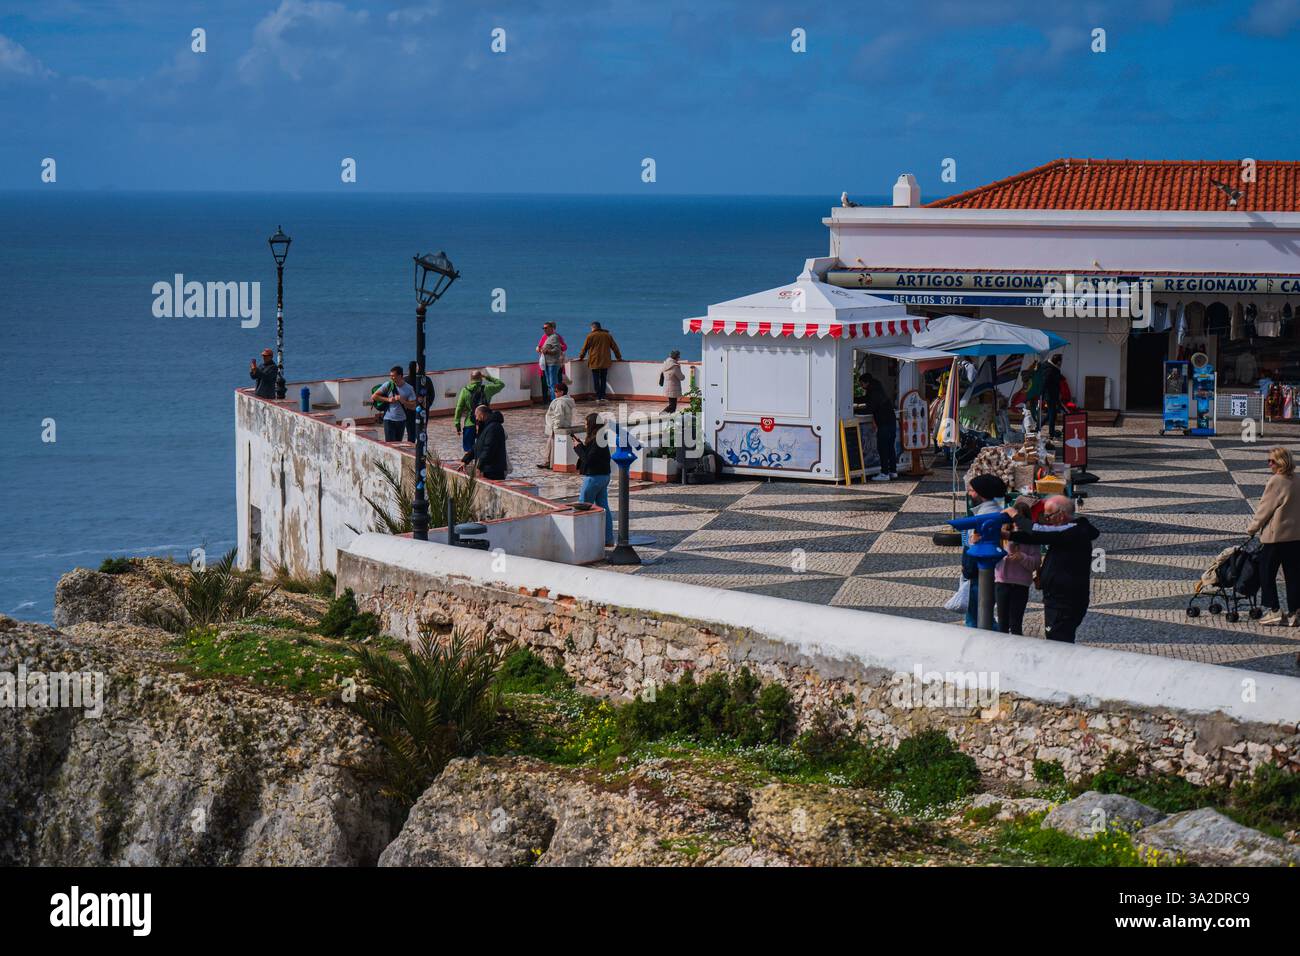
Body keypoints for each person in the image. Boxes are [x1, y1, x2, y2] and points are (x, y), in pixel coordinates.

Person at [1004, 494, 1100, 643]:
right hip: (1061, 599)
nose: (1046, 520)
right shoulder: (1071, 531)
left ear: (1061, 515)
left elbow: (1037, 531)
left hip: (1063, 602)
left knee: (1059, 642)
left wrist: (1014, 515)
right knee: (1059, 639)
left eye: (1048, 516)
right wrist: (1009, 535)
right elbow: (1038, 536)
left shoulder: (1071, 531)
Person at [1247, 447, 1300, 625]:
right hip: (1295, 537)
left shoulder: (1276, 481)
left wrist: (1252, 528)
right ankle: (1295, 613)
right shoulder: (1297, 479)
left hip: (1276, 538)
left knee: (1266, 573)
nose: (1269, 464)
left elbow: (1265, 508)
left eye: (1272, 461)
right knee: (1293, 575)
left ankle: (1275, 610)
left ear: (1281, 462)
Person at [963, 474, 1007, 628]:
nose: (970, 494)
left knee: (975, 613)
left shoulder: (985, 515)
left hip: (980, 569)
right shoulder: (992, 510)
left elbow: (974, 543)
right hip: (982, 568)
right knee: (981, 610)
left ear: (981, 493)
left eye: (972, 491)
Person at [994, 497, 1041, 635]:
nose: (1017, 525)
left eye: (1021, 521)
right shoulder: (1003, 534)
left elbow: (1036, 563)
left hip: (1020, 585)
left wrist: (1022, 556)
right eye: (1015, 522)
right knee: (1002, 622)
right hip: (1002, 582)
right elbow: (995, 556)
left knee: (1016, 623)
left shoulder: (1032, 539)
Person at [572, 413, 614, 547]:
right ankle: (608, 539)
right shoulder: (600, 437)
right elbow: (591, 456)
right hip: (604, 476)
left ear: (592, 425)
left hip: (594, 478)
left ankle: (583, 542)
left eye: (586, 424)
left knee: (583, 507)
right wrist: (580, 446)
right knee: (603, 508)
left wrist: (578, 448)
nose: (585, 426)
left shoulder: (597, 439)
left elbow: (588, 460)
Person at [454, 370, 505, 457]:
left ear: (471, 379)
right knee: (483, 447)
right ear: (480, 379)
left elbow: (459, 408)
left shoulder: (465, 391)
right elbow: (501, 384)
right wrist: (487, 377)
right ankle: (480, 467)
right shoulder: (487, 389)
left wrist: (457, 424)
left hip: (469, 423)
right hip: (485, 422)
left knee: (468, 449)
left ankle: (468, 468)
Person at [460, 404, 508, 480]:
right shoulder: (486, 427)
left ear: (481, 415)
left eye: (476, 416)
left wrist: (479, 465)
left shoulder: (493, 427)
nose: (476, 419)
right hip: (486, 469)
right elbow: (477, 446)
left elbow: (488, 449)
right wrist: (465, 460)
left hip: (492, 470)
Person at [864, 375, 898, 481]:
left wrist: (855, 410)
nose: (862, 386)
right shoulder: (880, 391)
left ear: (867, 383)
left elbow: (869, 409)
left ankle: (884, 473)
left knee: (883, 448)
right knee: (890, 448)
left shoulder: (873, 393)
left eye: (862, 384)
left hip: (884, 424)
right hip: (892, 423)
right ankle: (893, 471)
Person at [578, 322, 622, 403]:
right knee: (603, 378)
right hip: (605, 361)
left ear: (593, 327)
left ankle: (598, 396)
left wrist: (581, 357)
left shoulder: (590, 336)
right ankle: (603, 395)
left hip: (594, 361)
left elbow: (584, 349)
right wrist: (618, 357)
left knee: (596, 379)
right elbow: (615, 347)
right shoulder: (607, 335)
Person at [373, 366, 415, 443]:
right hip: (388, 420)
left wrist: (404, 401)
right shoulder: (388, 385)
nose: (392, 378)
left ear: (400, 376)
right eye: (391, 376)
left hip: (401, 420)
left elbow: (413, 406)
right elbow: (374, 396)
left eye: (393, 376)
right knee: (390, 445)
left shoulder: (409, 388)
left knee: (398, 445)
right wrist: (388, 399)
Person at [539, 381, 575, 469]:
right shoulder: (567, 400)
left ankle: (549, 463)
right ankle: (549, 462)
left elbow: (559, 416)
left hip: (557, 427)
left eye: (556, 391)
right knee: (551, 446)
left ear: (561, 392)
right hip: (564, 425)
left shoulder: (560, 402)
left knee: (552, 446)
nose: (554, 393)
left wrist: (555, 427)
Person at [536, 322, 567, 402]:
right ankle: (554, 400)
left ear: (551, 328)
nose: (544, 330)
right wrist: (539, 349)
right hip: (546, 363)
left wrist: (547, 351)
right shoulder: (546, 337)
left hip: (553, 363)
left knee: (553, 383)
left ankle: (555, 400)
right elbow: (540, 346)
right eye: (543, 328)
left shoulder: (555, 337)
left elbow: (557, 349)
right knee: (549, 383)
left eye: (546, 328)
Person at [404, 360, 434, 443]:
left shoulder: (405, 380)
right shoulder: (425, 379)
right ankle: (423, 450)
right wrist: (426, 405)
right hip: (422, 410)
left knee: (411, 433)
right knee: (423, 431)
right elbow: (432, 395)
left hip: (409, 410)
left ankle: (412, 452)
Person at [1040, 354, 1064, 439]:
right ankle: (1051, 433)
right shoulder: (1050, 369)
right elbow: (1045, 383)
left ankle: (1038, 427)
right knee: (1052, 414)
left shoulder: (1053, 368)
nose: (1061, 363)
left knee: (1051, 413)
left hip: (1054, 394)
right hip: (1050, 395)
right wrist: (1042, 396)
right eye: (1061, 361)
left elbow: (1055, 378)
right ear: (1058, 361)